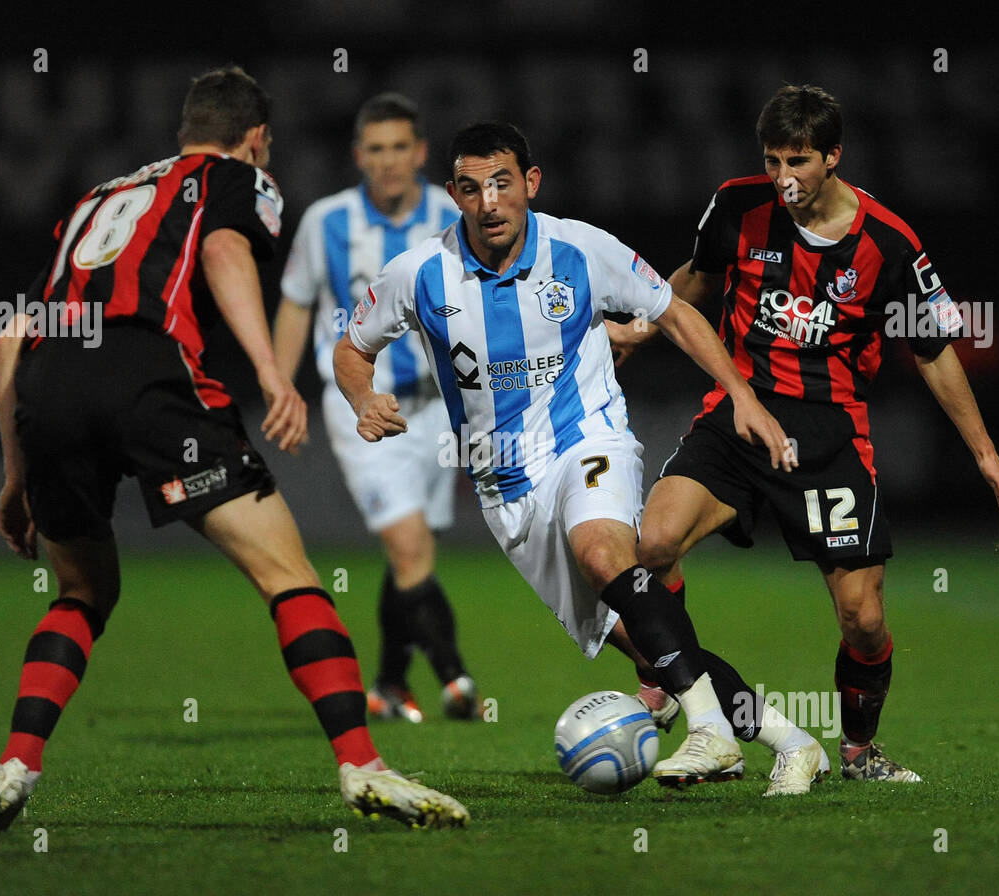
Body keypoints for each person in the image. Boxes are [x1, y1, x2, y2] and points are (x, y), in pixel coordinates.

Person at [0, 66, 468, 833]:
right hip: (150, 381)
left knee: (80, 595)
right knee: (289, 577)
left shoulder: (95, 199)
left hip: (50, 387)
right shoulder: (232, 176)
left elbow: (10, 336)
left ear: (182, 130)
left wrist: (14, 475)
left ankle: (13, 767)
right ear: (257, 138)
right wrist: (271, 374)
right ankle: (364, 767)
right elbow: (225, 252)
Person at [335, 121, 829, 796]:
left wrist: (741, 395)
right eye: (473, 188)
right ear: (453, 193)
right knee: (648, 641)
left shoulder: (580, 248)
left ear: (530, 184)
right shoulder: (419, 273)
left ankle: (710, 732)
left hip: (586, 438)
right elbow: (351, 346)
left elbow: (674, 310)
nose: (490, 202)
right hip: (505, 487)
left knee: (604, 553)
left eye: (503, 183)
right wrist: (363, 398)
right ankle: (791, 740)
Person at [611, 83, 999, 783]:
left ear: (833, 156)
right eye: (772, 160)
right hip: (740, 413)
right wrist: (641, 329)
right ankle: (671, 683)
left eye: (797, 161)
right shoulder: (737, 206)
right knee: (650, 544)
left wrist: (983, 451)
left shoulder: (890, 243)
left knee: (862, 619)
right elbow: (697, 284)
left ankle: (859, 750)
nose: (783, 178)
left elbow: (933, 349)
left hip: (828, 438)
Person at [273, 93, 478, 724]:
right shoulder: (326, 222)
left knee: (411, 554)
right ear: (359, 156)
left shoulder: (455, 214)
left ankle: (389, 684)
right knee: (409, 543)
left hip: (439, 407)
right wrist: (283, 390)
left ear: (419, 153)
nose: (388, 162)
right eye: (376, 149)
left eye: (400, 148)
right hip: (358, 406)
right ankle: (456, 678)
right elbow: (296, 303)